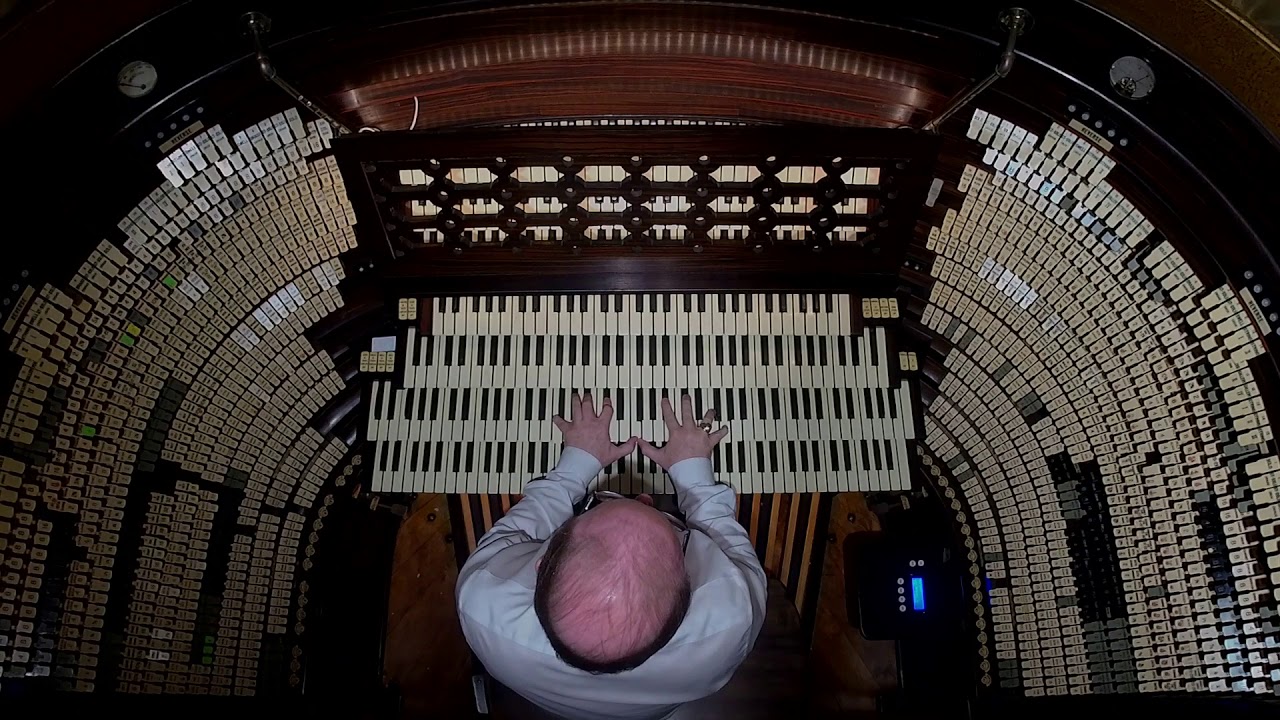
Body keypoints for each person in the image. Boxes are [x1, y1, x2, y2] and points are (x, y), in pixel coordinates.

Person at [456, 392, 767, 720]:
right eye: (652, 510)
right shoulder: (732, 617)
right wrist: (693, 476)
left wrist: (574, 468)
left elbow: (510, 537)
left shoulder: (483, 602)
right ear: (690, 589)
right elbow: (735, 553)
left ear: (541, 564)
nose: (644, 497)